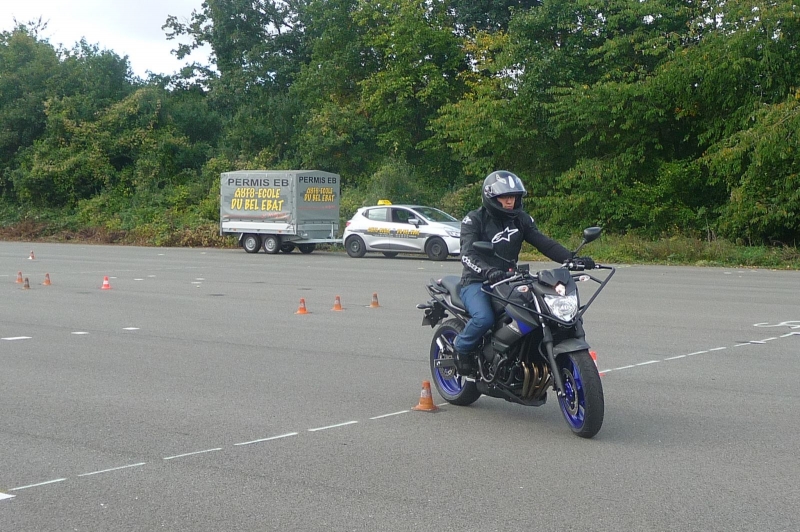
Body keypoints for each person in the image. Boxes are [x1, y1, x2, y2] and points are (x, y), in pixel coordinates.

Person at [451, 170, 595, 374]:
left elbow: (543, 242)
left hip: (510, 280)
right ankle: (461, 350)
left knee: (539, 311)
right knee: (484, 319)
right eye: (505, 197)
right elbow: (467, 254)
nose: (510, 201)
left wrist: (571, 258)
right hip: (477, 282)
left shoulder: (520, 219)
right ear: (491, 197)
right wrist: (488, 271)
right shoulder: (474, 220)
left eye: (514, 196)